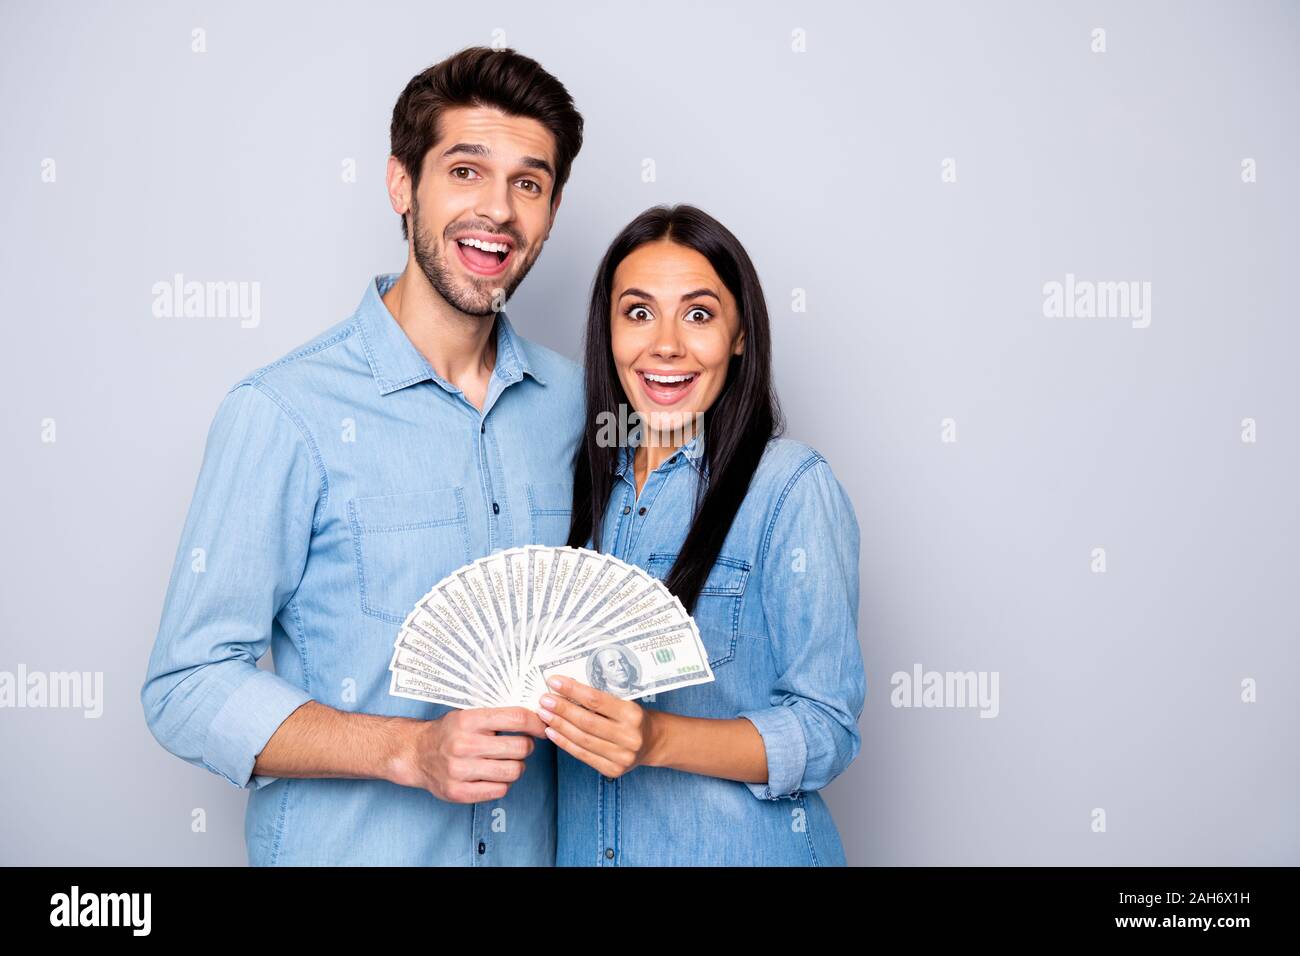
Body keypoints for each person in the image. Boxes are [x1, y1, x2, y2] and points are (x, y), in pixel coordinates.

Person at [141, 47, 585, 865]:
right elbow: (186, 685)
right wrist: (408, 752)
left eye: (529, 183)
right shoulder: (283, 412)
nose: (497, 211)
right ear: (400, 185)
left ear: (553, 211)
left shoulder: (579, 409)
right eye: (464, 170)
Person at [546, 204, 866, 866]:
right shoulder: (574, 486)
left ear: (740, 334)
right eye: (638, 312)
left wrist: (656, 738)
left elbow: (826, 728)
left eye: (698, 314)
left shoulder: (790, 488)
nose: (665, 343)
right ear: (607, 331)